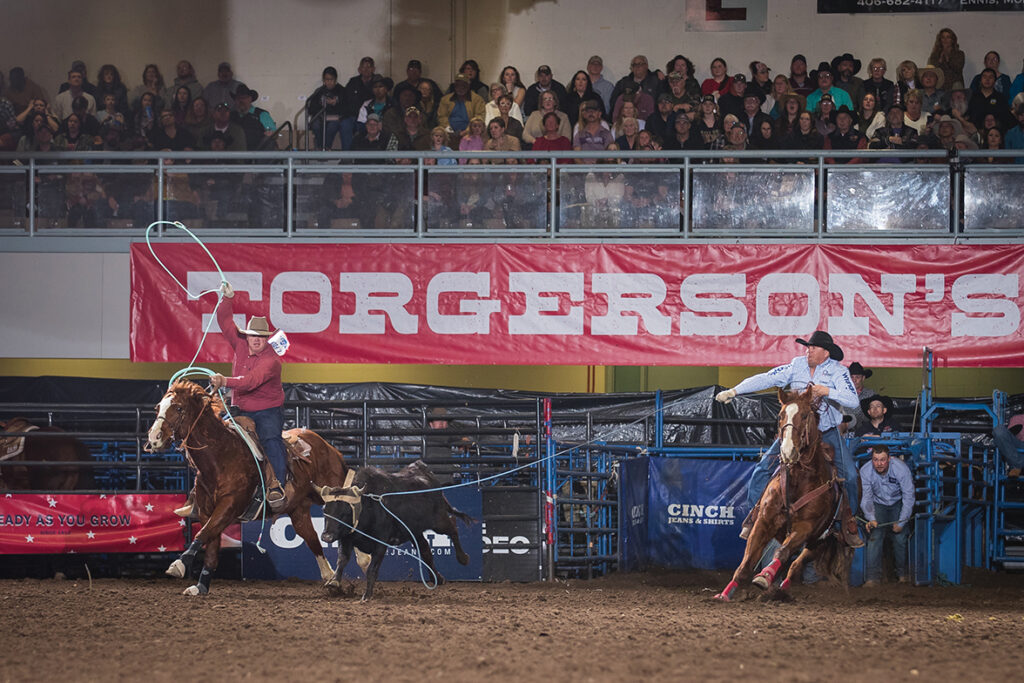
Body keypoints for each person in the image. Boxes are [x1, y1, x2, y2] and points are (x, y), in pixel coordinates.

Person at [714, 330, 863, 547]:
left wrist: (828, 391)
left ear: (825, 352)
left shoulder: (838, 372)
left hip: (826, 431)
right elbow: (767, 378)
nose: (808, 350)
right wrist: (735, 391)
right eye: (808, 347)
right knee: (763, 469)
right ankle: (755, 516)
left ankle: (847, 521)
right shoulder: (796, 365)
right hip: (796, 432)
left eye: (813, 347)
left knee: (849, 475)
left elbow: (853, 401)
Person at [207, 281, 289, 512]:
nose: (255, 339)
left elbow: (251, 381)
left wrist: (224, 381)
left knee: (270, 439)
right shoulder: (241, 344)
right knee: (216, 437)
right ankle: (208, 486)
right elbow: (225, 322)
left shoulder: (271, 361)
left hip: (267, 410)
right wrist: (228, 299)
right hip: (240, 407)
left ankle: (277, 486)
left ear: (266, 339)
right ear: (248, 335)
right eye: (253, 335)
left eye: (260, 337)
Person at [860, 445, 914, 586]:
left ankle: (902, 575)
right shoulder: (865, 471)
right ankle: (872, 578)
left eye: (882, 460)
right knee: (875, 536)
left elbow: (908, 496)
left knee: (900, 537)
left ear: (889, 459)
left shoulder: (901, 469)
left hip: (897, 502)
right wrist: (871, 518)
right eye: (875, 460)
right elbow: (866, 498)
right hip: (878, 503)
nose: (879, 463)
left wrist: (902, 522)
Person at [306, 66, 345, 150]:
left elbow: (345, 108)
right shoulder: (319, 91)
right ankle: (319, 147)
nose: (329, 82)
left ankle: (326, 147)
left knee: (332, 126)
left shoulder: (342, 91)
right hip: (321, 118)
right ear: (323, 80)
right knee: (315, 125)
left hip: (335, 119)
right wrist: (321, 104)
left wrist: (335, 103)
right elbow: (311, 109)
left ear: (335, 79)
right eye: (327, 79)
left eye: (331, 79)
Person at [230, 84, 275, 150]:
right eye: (238, 98)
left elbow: (273, 133)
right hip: (234, 154)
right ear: (235, 100)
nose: (241, 101)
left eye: (244, 98)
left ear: (250, 99)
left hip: (257, 154)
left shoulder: (262, 114)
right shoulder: (230, 116)